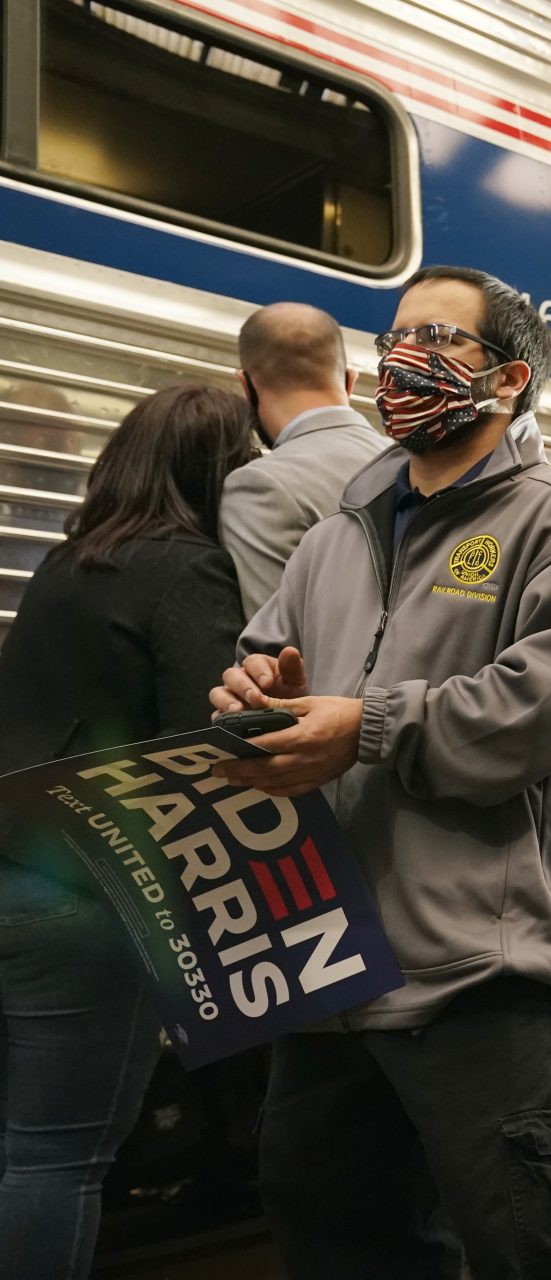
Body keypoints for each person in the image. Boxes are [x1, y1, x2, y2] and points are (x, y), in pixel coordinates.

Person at [208, 266, 551, 1279]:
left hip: (475, 968)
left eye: (438, 339)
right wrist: (252, 692)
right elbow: (264, 656)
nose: (405, 357)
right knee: (333, 1230)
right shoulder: (335, 537)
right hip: (330, 958)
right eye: (396, 337)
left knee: (525, 1240)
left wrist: (367, 726)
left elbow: (544, 709)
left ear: (510, 378)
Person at [0, 384, 254, 1278]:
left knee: (13, 1141)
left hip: (9, 861)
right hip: (87, 892)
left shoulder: (68, 562)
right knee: (57, 1155)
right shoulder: (188, 569)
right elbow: (207, 742)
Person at [222, 302, 386, 616]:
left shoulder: (261, 485)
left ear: (246, 385)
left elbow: (274, 636)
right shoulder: (410, 461)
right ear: (350, 380)